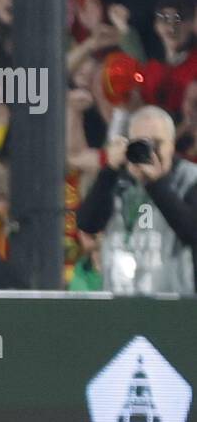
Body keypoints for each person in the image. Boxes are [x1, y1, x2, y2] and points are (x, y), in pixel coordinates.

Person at [77, 105, 197, 294]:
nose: (150, 151)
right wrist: (109, 171)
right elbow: (88, 223)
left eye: (157, 143)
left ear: (172, 145)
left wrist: (155, 184)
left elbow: (191, 231)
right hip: (119, 305)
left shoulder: (190, 178)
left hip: (173, 308)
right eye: (141, 143)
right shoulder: (116, 179)